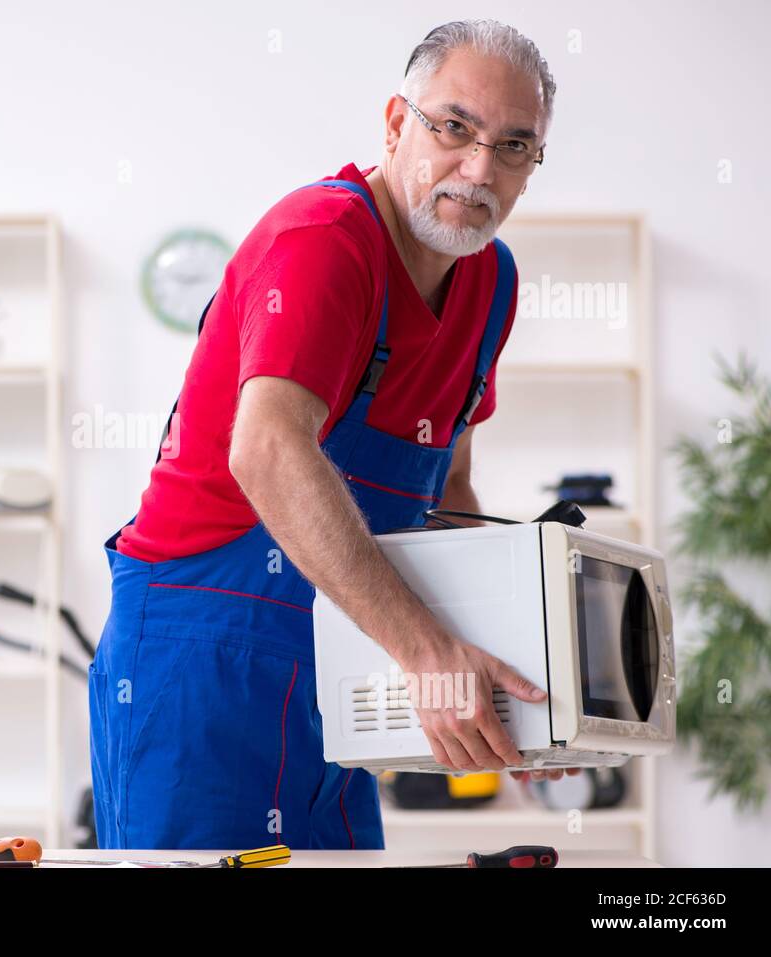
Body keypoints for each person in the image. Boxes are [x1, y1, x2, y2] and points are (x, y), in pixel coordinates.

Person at [90, 19, 580, 850]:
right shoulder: (322, 242)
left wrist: (506, 688)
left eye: (514, 146)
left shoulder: (490, 282)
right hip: (200, 660)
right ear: (396, 123)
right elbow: (268, 449)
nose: (478, 168)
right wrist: (428, 654)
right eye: (453, 127)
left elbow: (450, 491)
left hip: (346, 662)